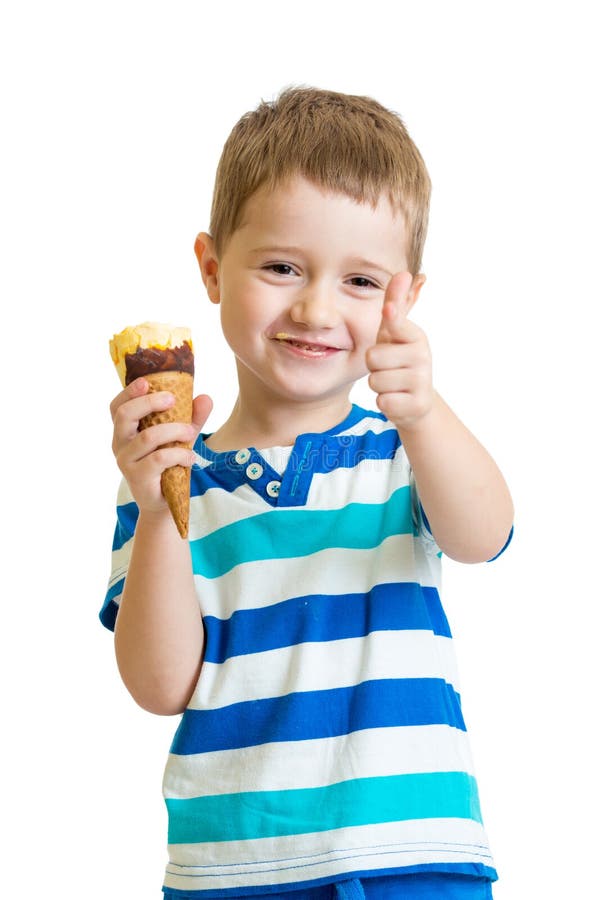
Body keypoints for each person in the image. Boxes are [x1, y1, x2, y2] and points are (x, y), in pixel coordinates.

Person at [102, 87, 514, 900]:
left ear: (406, 298)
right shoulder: (168, 478)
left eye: (361, 281)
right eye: (283, 266)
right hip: (232, 869)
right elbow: (159, 688)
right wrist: (156, 516)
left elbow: (486, 533)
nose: (317, 307)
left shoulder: (405, 446)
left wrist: (425, 413)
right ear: (213, 268)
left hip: (410, 852)